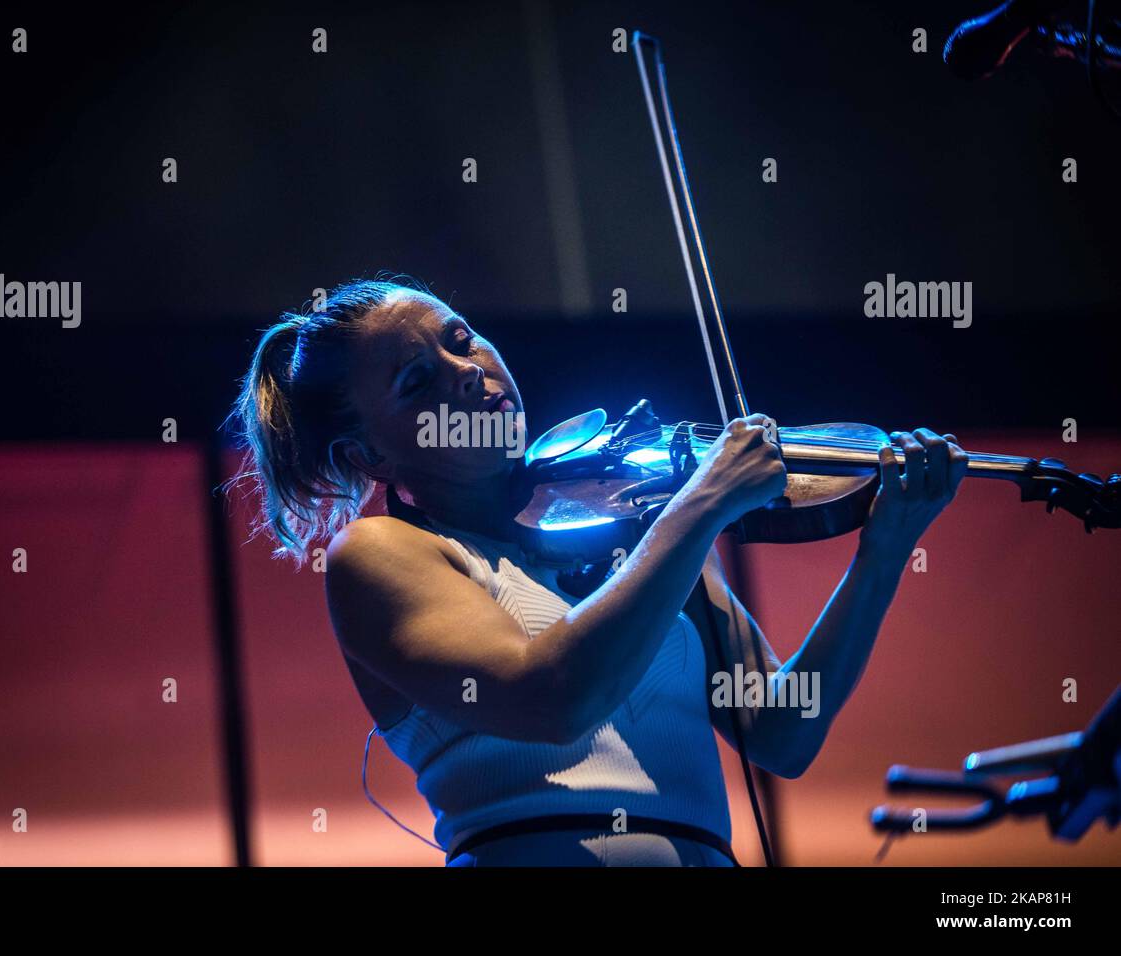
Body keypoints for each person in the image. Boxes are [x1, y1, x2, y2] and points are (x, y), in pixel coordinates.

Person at [228, 277, 968, 866]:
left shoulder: (631, 527)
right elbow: (552, 697)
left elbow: (782, 729)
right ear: (368, 458)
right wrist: (699, 506)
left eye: (463, 340)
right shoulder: (385, 554)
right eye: (418, 380)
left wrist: (887, 545)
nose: (466, 371)